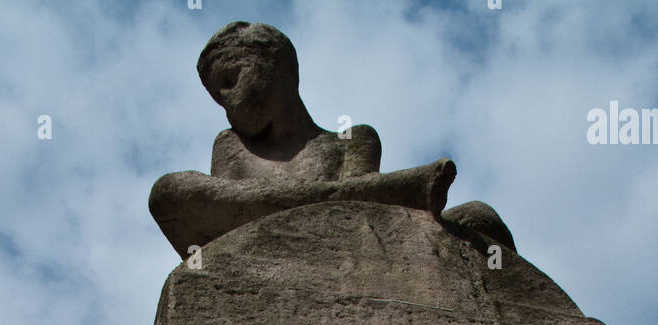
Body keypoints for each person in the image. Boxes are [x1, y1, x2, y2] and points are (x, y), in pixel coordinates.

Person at [149, 21, 512, 255]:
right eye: (219, 96)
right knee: (169, 193)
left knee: (480, 219)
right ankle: (395, 191)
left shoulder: (354, 139)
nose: (228, 102)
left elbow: (364, 219)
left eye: (231, 80)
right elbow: (225, 224)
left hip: (357, 245)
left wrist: (359, 199)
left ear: (278, 66)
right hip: (263, 245)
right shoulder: (231, 145)